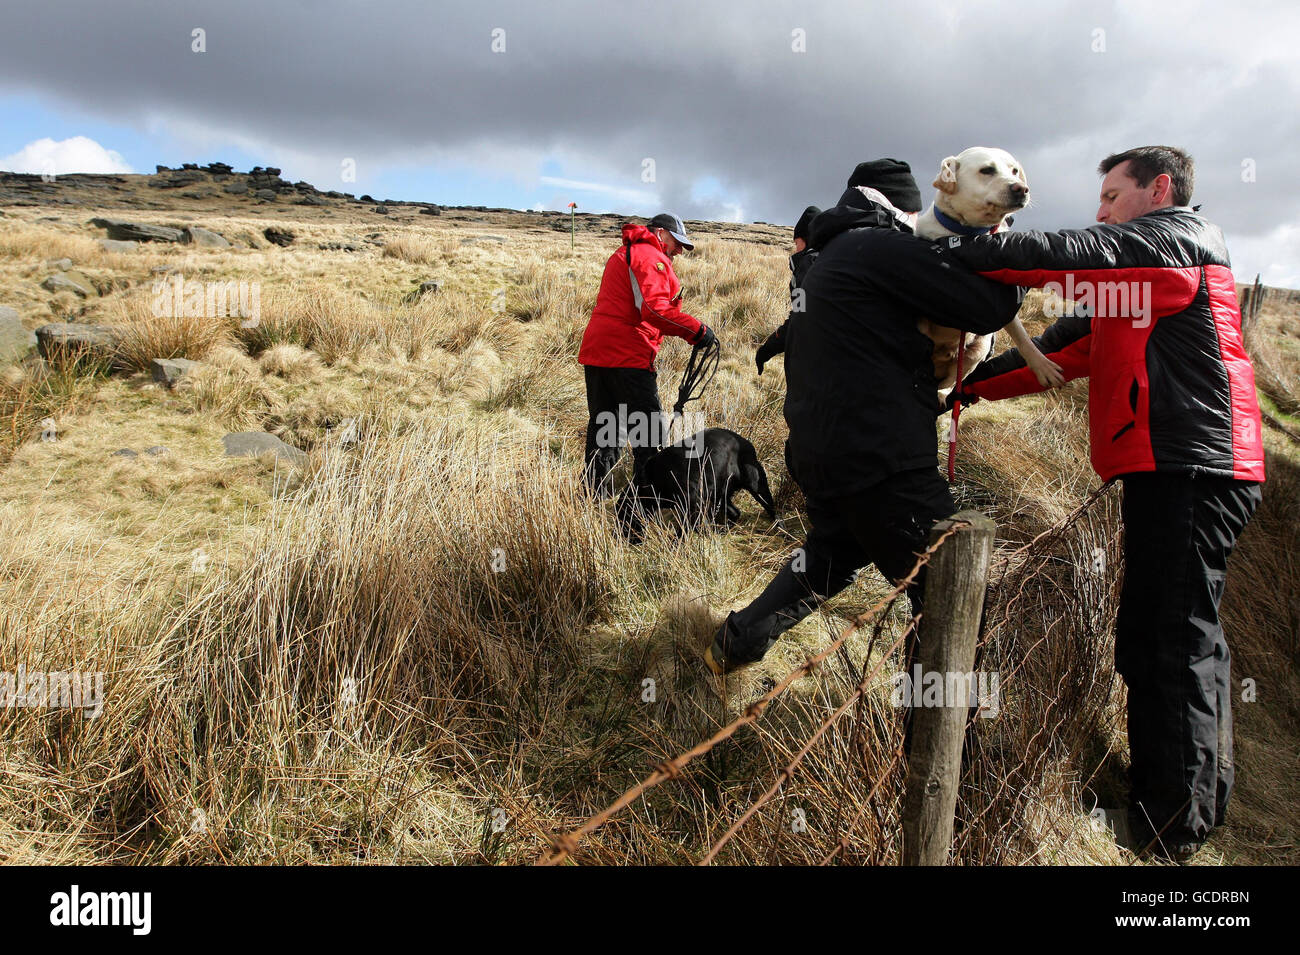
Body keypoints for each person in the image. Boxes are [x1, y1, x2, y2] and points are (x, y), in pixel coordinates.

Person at [944, 146, 1265, 861]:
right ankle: (1195, 802)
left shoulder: (1178, 240)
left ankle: (1167, 831)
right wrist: (970, 389)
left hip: (1191, 468)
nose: (1101, 209)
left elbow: (1074, 252)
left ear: (1158, 190)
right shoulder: (1141, 285)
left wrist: (967, 245)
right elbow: (1061, 352)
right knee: (1182, 637)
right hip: (1186, 469)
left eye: (1113, 195)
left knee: (1167, 644)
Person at [706, 163, 1023, 680]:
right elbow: (986, 306)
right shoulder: (882, 249)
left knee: (830, 557)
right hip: (882, 459)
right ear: (905, 208)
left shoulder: (832, 256)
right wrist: (1003, 247)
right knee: (953, 590)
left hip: (822, 452)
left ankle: (731, 645)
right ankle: (948, 744)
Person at [578, 213, 715, 495]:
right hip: (628, 355)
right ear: (661, 233)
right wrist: (698, 331)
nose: (679, 250)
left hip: (598, 353)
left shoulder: (625, 252)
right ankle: (645, 504)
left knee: (606, 428)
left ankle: (592, 497)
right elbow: (654, 310)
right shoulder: (650, 256)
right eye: (677, 242)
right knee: (648, 435)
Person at [755, 204, 820, 374]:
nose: (795, 247)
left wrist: (767, 349)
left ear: (804, 239)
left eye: (796, 242)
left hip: (816, 366)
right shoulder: (838, 259)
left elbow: (800, 316)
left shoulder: (807, 265)